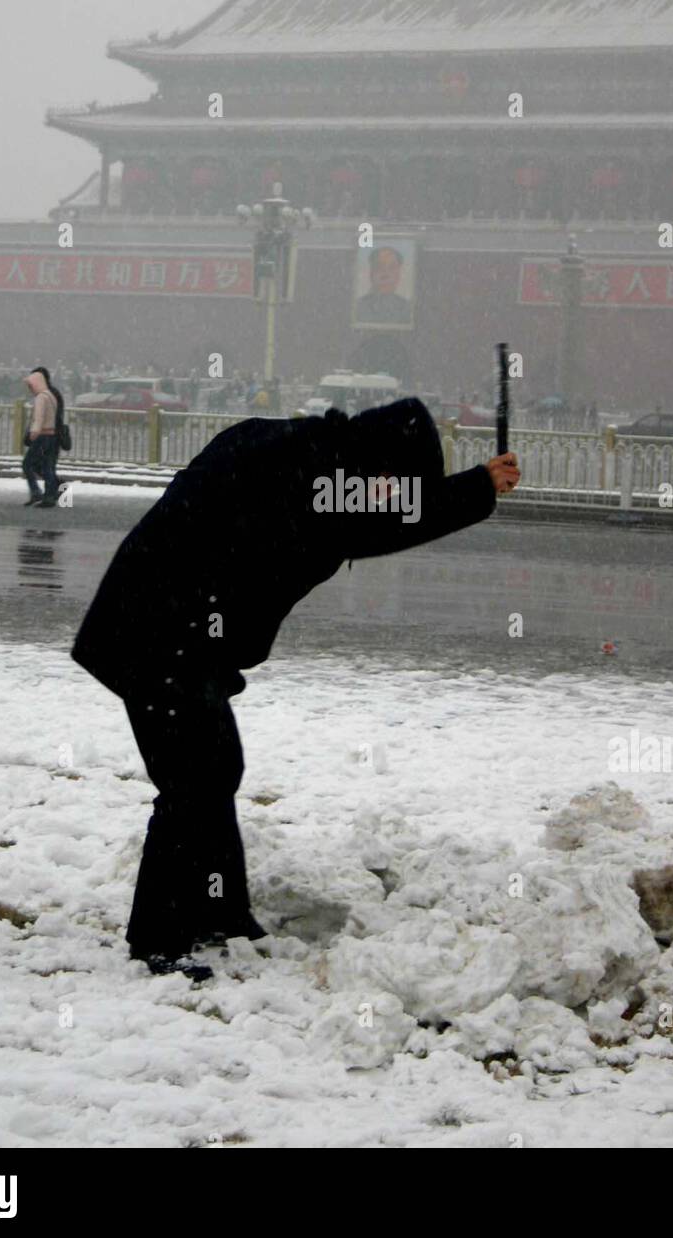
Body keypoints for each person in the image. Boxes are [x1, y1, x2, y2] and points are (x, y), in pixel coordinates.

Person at [71, 398, 520, 979]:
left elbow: (366, 515)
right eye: (393, 483)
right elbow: (369, 523)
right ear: (379, 465)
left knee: (213, 771)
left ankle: (220, 913)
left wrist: (476, 487)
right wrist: (476, 489)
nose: (390, 494)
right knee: (194, 781)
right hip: (156, 631)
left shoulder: (305, 451)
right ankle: (159, 938)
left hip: (177, 632)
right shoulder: (309, 470)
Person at [22, 368, 60, 507]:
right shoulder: (50, 396)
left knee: (27, 464)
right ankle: (49, 495)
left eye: (30, 385)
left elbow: (39, 418)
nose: (29, 388)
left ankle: (36, 492)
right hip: (52, 435)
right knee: (47, 466)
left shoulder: (40, 398)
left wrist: (33, 433)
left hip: (42, 436)